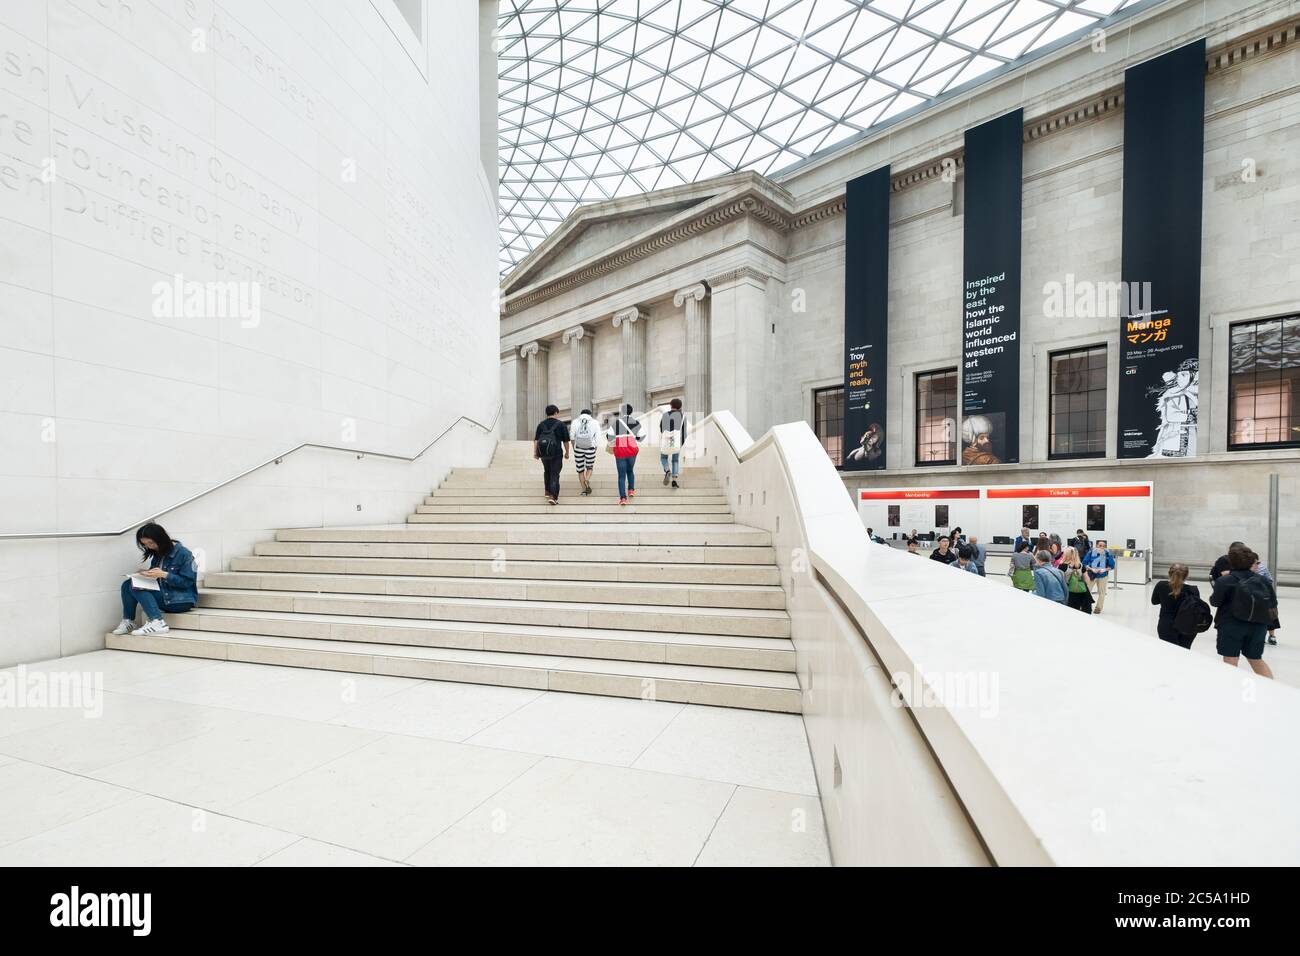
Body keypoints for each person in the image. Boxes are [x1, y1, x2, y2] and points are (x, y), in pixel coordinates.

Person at [113, 523, 199, 637]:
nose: (149, 547)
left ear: (161, 539)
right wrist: (147, 574)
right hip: (165, 595)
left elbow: (187, 582)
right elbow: (157, 578)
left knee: (136, 586)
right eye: (145, 544)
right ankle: (128, 621)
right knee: (127, 584)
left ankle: (158, 622)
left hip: (180, 601)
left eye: (151, 543)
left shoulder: (185, 554)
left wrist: (165, 575)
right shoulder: (158, 553)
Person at [1209, 544, 1275, 678]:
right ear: (1251, 561)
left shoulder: (1224, 581)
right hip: (1258, 625)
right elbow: (1273, 603)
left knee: (1230, 660)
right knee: (1256, 659)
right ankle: (1273, 690)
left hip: (1231, 624)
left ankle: (1232, 692)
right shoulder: (1263, 580)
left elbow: (1215, 602)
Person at [1150, 563, 1201, 649]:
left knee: (1169, 654)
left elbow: (1154, 601)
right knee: (1184, 653)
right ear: (1187, 575)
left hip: (1167, 626)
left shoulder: (1161, 585)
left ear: (1169, 573)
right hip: (1187, 627)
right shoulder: (1193, 589)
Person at [606, 404, 645, 505]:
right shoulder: (635, 422)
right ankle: (631, 490)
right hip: (632, 451)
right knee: (630, 471)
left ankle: (623, 498)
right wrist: (634, 438)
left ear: (622, 412)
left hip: (620, 452)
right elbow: (642, 437)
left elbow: (609, 437)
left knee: (621, 476)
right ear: (631, 411)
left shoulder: (616, 423)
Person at [533, 404, 571, 504]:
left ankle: (547, 490)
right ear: (555, 413)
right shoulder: (561, 425)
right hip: (556, 453)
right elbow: (566, 441)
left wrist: (535, 453)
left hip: (544, 453)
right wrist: (567, 452)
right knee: (555, 473)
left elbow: (536, 440)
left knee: (547, 471)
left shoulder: (541, 425)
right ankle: (553, 496)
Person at [569, 408, 602, 496]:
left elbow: (572, 436)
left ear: (581, 414)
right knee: (589, 467)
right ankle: (587, 478)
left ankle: (584, 490)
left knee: (580, 470)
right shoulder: (595, 422)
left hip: (578, 447)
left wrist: (574, 447)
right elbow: (598, 437)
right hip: (590, 447)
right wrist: (595, 448)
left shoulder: (575, 422)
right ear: (590, 414)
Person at [1251, 556, 1281, 646]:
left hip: (1265, 596)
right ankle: (1261, 636)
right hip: (1256, 597)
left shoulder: (1262, 568)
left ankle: (1272, 636)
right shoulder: (1247, 571)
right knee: (1259, 618)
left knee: (1271, 616)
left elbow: (1270, 580)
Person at [659, 398, 688, 488]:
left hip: (667, 439)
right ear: (680, 406)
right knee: (675, 460)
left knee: (663, 458)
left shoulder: (665, 415)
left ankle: (667, 471)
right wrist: (681, 443)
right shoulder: (683, 416)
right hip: (676, 441)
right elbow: (684, 432)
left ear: (671, 405)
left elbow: (661, 428)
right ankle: (674, 480)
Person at [1084, 538, 1116, 614]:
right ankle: (1085, 606)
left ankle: (1098, 608)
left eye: (1103, 546)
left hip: (1103, 576)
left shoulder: (1108, 554)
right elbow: (1084, 563)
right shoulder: (1091, 552)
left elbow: (1112, 566)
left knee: (1102, 592)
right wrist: (1091, 569)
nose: (1102, 547)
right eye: (1100, 545)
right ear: (1096, 545)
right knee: (1087, 591)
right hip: (1092, 575)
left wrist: (1105, 569)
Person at [1060, 547, 1092, 614]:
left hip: (1069, 592)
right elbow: (1087, 579)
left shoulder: (1062, 566)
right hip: (1082, 591)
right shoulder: (1081, 566)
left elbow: (1060, 580)